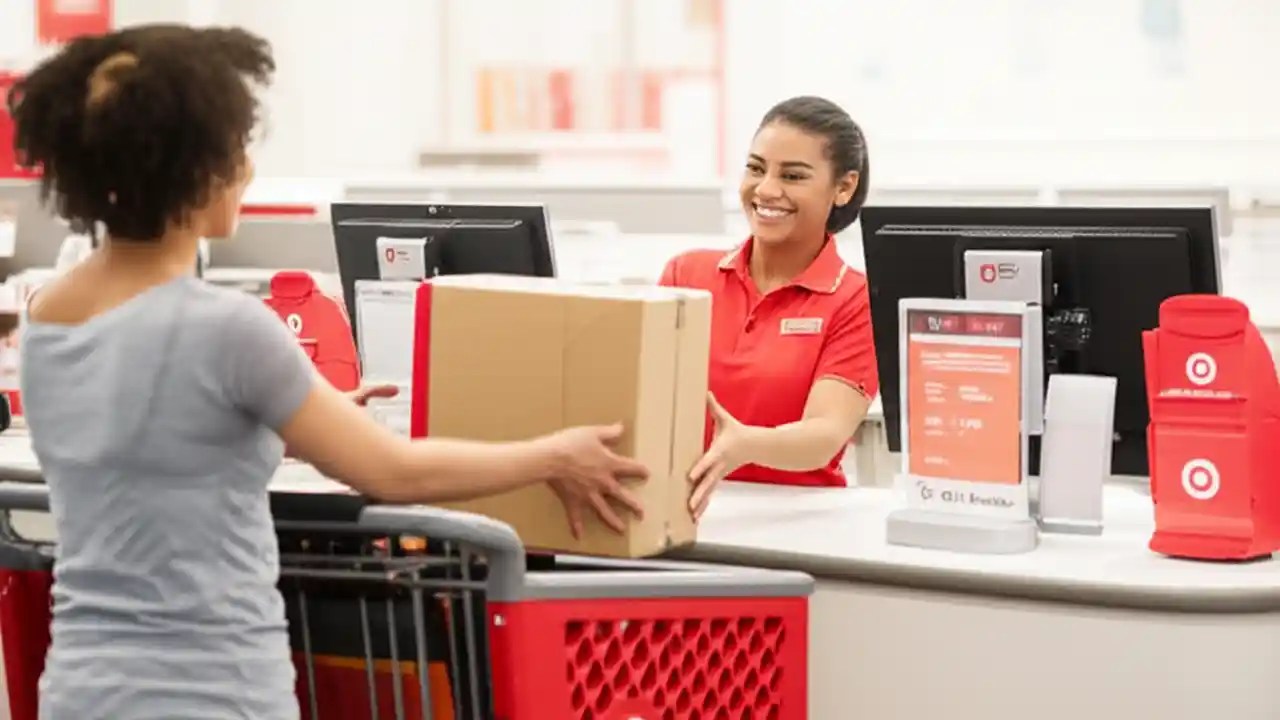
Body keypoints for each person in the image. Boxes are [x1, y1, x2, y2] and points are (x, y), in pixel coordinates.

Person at [8, 25, 647, 719]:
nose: (248, 170)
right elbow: (393, 474)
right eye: (237, 148)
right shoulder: (228, 329)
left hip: (81, 690)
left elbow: (148, 446)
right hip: (212, 691)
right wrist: (553, 456)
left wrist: (299, 414)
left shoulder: (47, 317)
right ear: (190, 168)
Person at [659, 95, 877, 516]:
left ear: (844, 187)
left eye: (793, 176)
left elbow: (825, 434)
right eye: (756, 168)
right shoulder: (685, 275)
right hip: (685, 510)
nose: (766, 190)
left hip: (797, 521)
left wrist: (745, 445)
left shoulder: (855, 300)